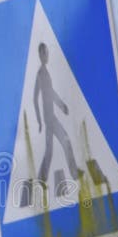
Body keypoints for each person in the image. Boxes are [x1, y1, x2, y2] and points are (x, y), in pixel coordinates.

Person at [33, 42, 83, 186]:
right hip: (48, 118)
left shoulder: (45, 72)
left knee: (51, 149)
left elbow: (51, 93)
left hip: (51, 116)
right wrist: (39, 121)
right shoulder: (40, 74)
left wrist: (62, 106)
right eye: (44, 53)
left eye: (47, 53)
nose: (47, 55)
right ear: (40, 55)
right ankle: (72, 173)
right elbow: (35, 97)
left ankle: (43, 179)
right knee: (64, 141)